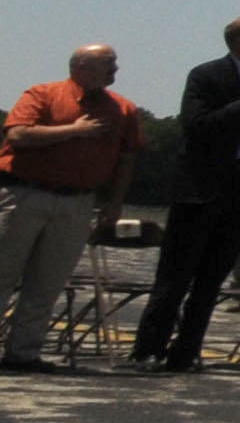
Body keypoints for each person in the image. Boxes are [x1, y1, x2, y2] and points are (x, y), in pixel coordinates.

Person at [130, 18, 240, 371]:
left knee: (211, 279)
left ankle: (186, 352)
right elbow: (197, 126)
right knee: (176, 276)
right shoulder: (205, 75)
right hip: (198, 191)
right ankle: (148, 349)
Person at [2, 44, 141, 372]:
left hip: (78, 202)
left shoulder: (123, 109)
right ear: (81, 66)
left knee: (48, 282)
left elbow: (127, 158)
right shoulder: (43, 94)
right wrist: (74, 131)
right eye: (109, 63)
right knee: (2, 273)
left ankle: (23, 354)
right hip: (23, 195)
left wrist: (115, 201)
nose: (116, 70)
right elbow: (18, 135)